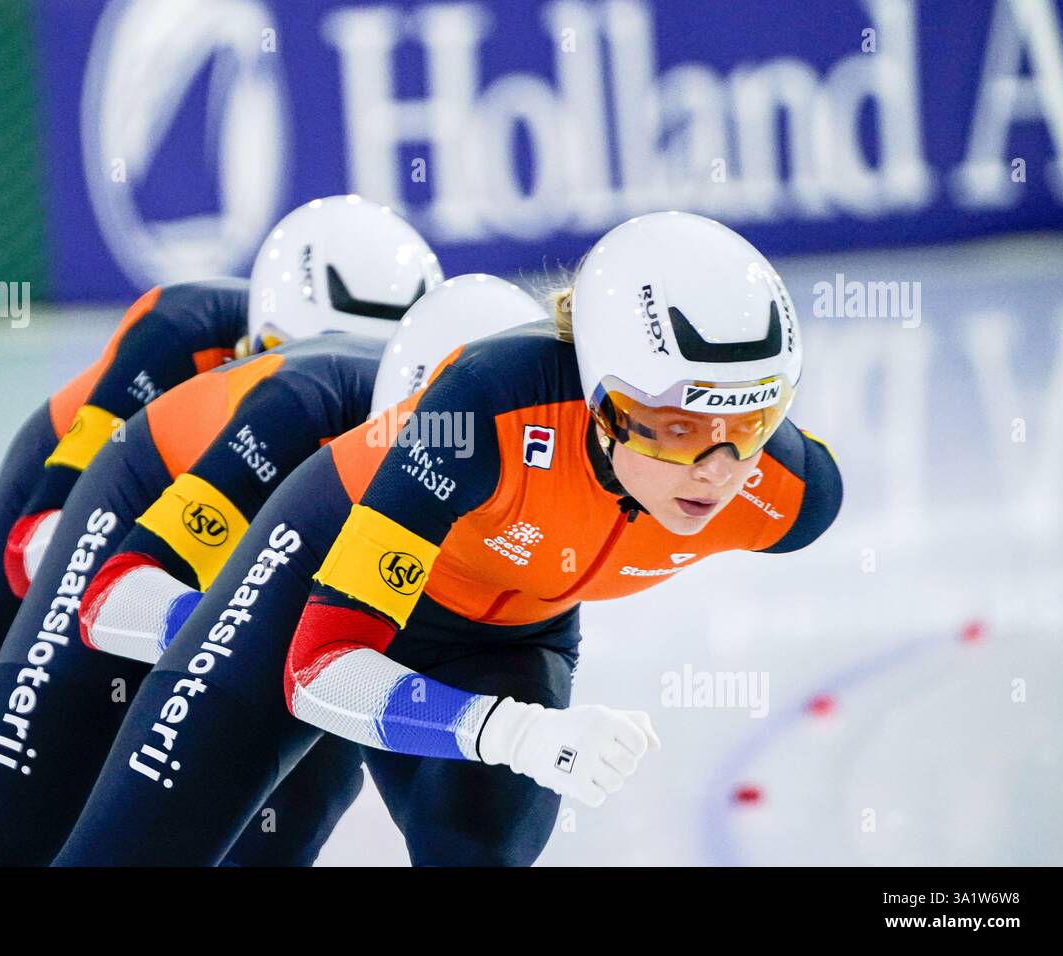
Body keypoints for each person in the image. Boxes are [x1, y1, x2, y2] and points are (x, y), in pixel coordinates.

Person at [53, 212, 843, 867]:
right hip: (320, 578)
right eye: (676, 428)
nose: (717, 467)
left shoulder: (790, 495)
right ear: (600, 400)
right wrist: (511, 730)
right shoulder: (484, 411)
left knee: (480, 846)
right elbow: (319, 672)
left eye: (750, 423)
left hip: (500, 631)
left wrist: (514, 730)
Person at [0, 195, 437, 867]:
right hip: (81, 557)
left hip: (212, 592)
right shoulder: (178, 335)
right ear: (255, 341)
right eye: (289, 357)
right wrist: (220, 634)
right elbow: (38, 546)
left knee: (301, 796)